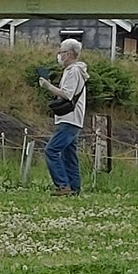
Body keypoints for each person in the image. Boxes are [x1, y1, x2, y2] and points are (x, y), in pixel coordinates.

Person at [38, 38, 89, 196]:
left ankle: (62, 185)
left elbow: (67, 94)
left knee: (51, 150)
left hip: (69, 119)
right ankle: (74, 187)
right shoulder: (76, 71)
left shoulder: (73, 71)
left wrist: (48, 86)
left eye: (60, 52)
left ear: (68, 54)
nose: (59, 55)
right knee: (69, 155)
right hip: (74, 119)